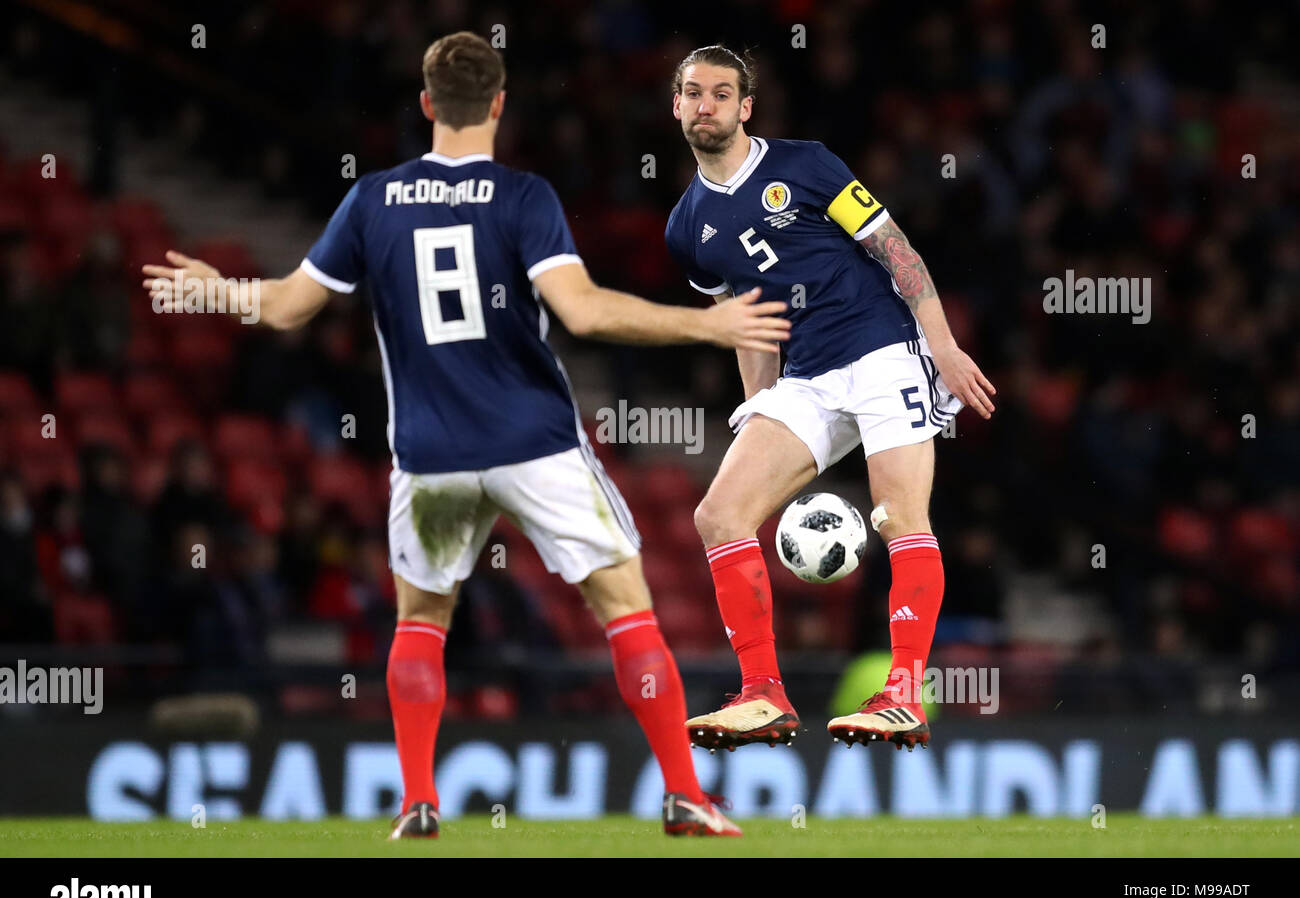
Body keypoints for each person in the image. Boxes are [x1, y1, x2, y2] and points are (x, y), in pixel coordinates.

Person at [143, 31, 794, 838]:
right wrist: (711, 324)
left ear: (425, 106)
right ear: (498, 105)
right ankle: (682, 794)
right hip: (536, 443)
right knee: (628, 613)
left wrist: (215, 293)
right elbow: (585, 311)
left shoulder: (371, 199)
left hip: (432, 455)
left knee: (422, 622)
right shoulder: (523, 199)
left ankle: (418, 800)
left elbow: (282, 308)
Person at [664, 46, 996, 752]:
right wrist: (760, 408)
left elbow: (894, 247)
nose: (707, 105)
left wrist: (941, 347)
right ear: (677, 106)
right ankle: (763, 694)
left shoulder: (806, 164)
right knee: (719, 515)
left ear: (746, 107)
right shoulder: (686, 228)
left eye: (722, 94)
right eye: (693, 93)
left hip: (881, 349)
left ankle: (904, 692)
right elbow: (746, 322)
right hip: (807, 376)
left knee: (896, 514)